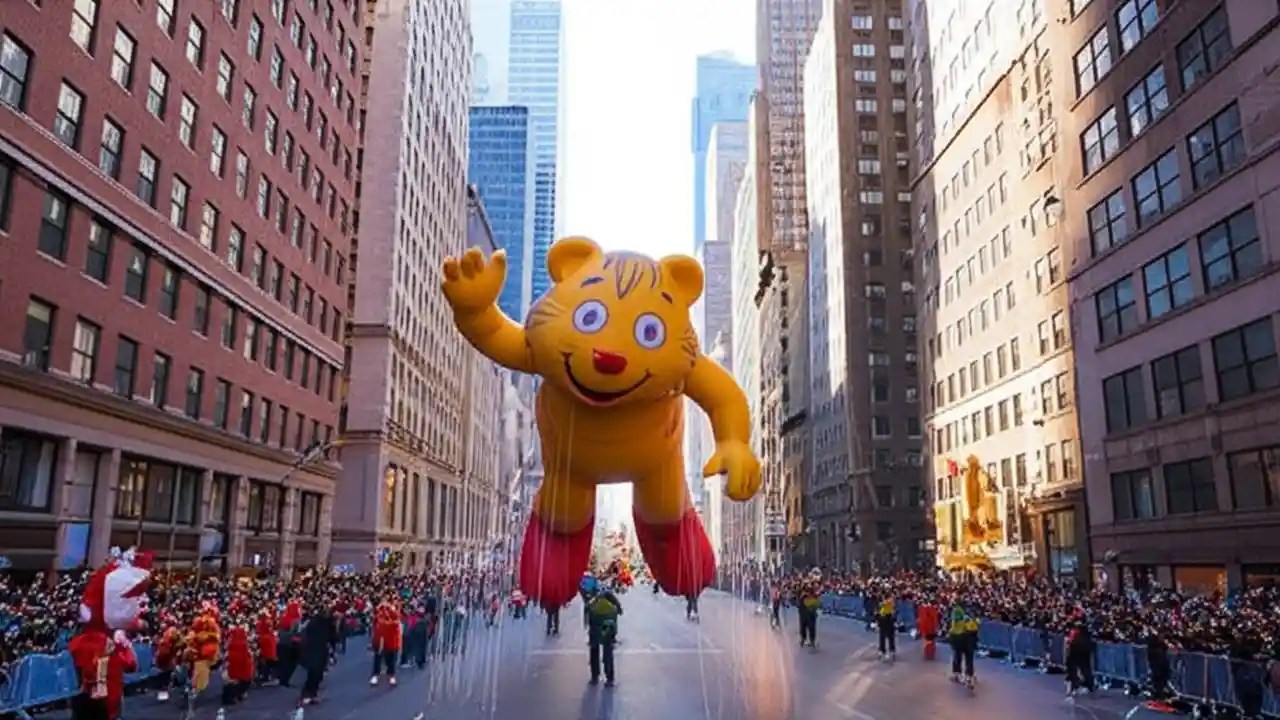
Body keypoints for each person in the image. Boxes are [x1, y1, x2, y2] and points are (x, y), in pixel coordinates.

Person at [585, 586, 623, 687]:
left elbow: (587, 612)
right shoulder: (610, 600)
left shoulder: (593, 600)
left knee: (594, 650)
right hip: (607, 627)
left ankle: (595, 676)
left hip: (595, 627)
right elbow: (619, 611)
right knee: (608, 652)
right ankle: (609, 678)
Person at [299, 604, 336, 704]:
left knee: (314, 673)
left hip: (315, 649)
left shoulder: (314, 622)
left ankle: (310, 693)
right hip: (317, 649)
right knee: (315, 674)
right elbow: (332, 637)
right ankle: (309, 693)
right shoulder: (324, 623)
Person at [370, 598, 402, 686]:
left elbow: (396, 623)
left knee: (391, 659)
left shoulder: (395, 615)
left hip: (392, 641)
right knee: (378, 658)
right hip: (381, 640)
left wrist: (387, 621)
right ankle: (376, 675)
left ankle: (391, 676)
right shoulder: (380, 613)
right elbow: (376, 624)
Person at [948, 606, 978, 688]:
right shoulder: (969, 620)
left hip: (960, 641)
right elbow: (975, 630)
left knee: (957, 656)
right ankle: (969, 677)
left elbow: (952, 632)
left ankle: (958, 674)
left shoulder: (955, 622)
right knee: (969, 658)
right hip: (969, 642)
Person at [796, 581, 821, 648]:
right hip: (803, 613)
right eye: (806, 585)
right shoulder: (801, 593)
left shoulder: (813, 593)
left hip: (811, 613)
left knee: (811, 628)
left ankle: (812, 641)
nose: (807, 587)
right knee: (803, 627)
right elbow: (798, 601)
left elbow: (817, 601)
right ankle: (803, 639)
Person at [876, 597, 897, 661]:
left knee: (887, 638)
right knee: (885, 638)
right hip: (885, 624)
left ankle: (888, 651)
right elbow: (880, 615)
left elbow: (879, 615)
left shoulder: (888, 607)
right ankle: (886, 651)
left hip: (887, 624)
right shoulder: (885, 606)